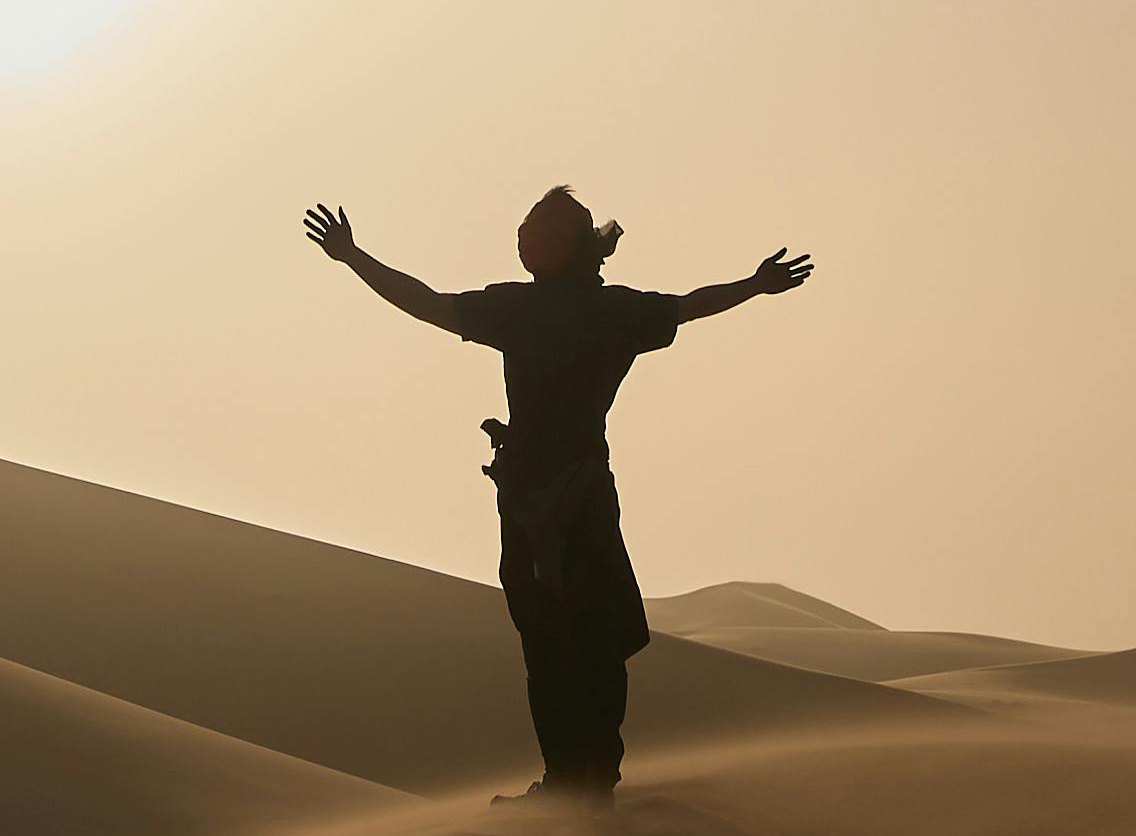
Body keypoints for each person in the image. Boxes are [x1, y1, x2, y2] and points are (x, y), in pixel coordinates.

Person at [303, 184, 814, 800]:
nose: (525, 236)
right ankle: (575, 781)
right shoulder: (567, 309)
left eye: (541, 228)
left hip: (565, 494)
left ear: (570, 244)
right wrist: (753, 286)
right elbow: (432, 304)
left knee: (573, 638)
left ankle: (583, 783)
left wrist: (753, 286)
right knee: (562, 639)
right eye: (527, 226)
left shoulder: (563, 310)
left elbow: (686, 306)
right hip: (544, 493)